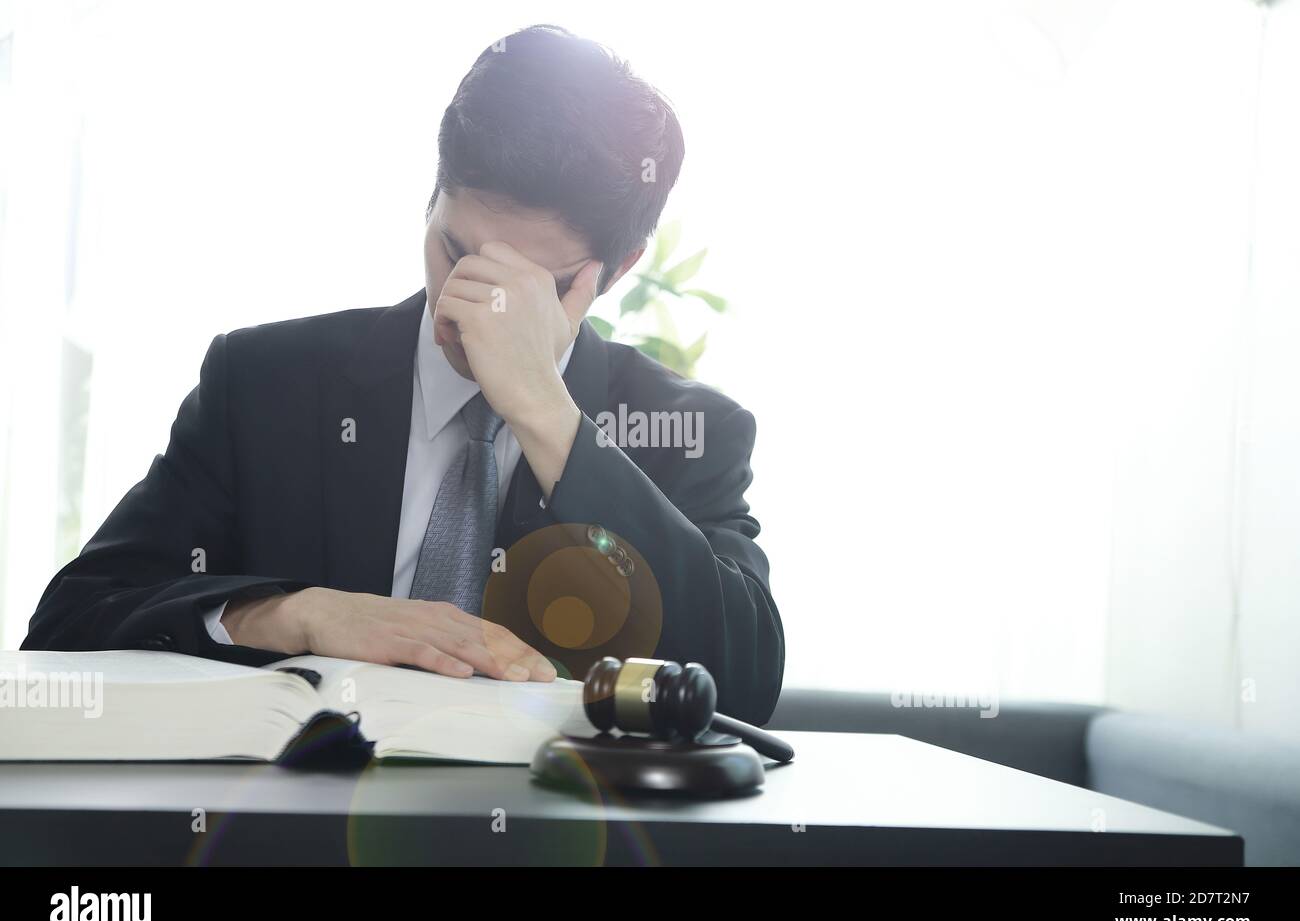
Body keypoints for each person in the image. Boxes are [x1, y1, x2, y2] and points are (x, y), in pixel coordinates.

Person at [24, 24, 783, 725]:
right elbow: (70, 623)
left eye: (524, 288)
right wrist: (294, 615)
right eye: (455, 252)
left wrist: (548, 417)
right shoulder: (263, 385)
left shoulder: (690, 431)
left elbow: (743, 685)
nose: (466, 311)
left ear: (614, 272)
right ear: (431, 198)